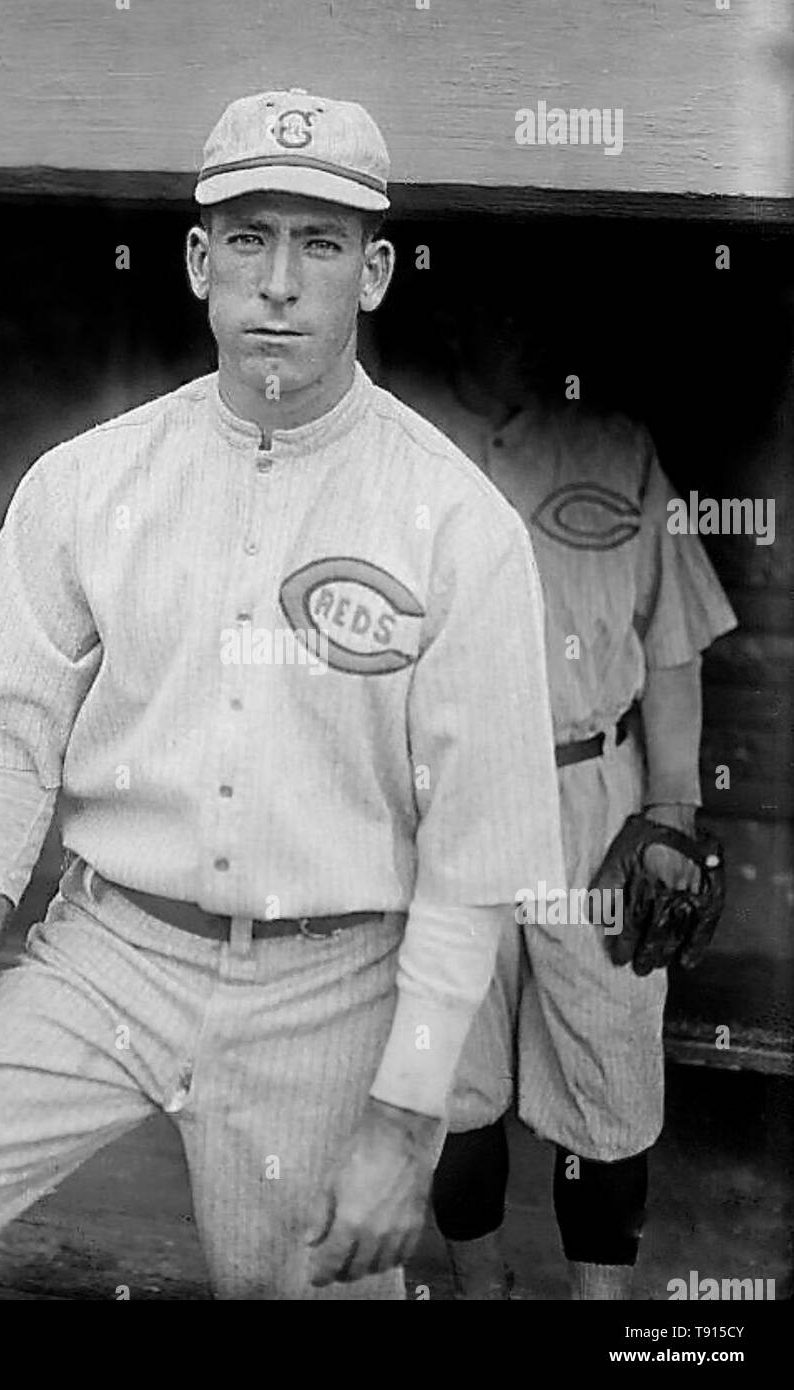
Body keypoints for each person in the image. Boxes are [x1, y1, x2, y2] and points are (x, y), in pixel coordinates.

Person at [0, 91, 564, 1301]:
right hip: (108, 956)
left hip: (328, 987)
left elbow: (470, 868)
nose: (280, 282)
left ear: (377, 270)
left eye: (322, 242)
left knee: (312, 1291)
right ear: (199, 261)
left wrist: (403, 1130)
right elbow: (8, 755)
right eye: (248, 237)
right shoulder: (86, 482)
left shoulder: (460, 526)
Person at [420, 296, 738, 1300]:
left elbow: (673, 646)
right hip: (443, 800)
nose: (517, 328)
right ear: (456, 319)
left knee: (607, 1080)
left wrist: (672, 814)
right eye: (494, 304)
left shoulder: (615, 447)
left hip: (592, 794)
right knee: (446, 1086)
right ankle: (482, 1289)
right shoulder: (393, 438)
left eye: (536, 304)